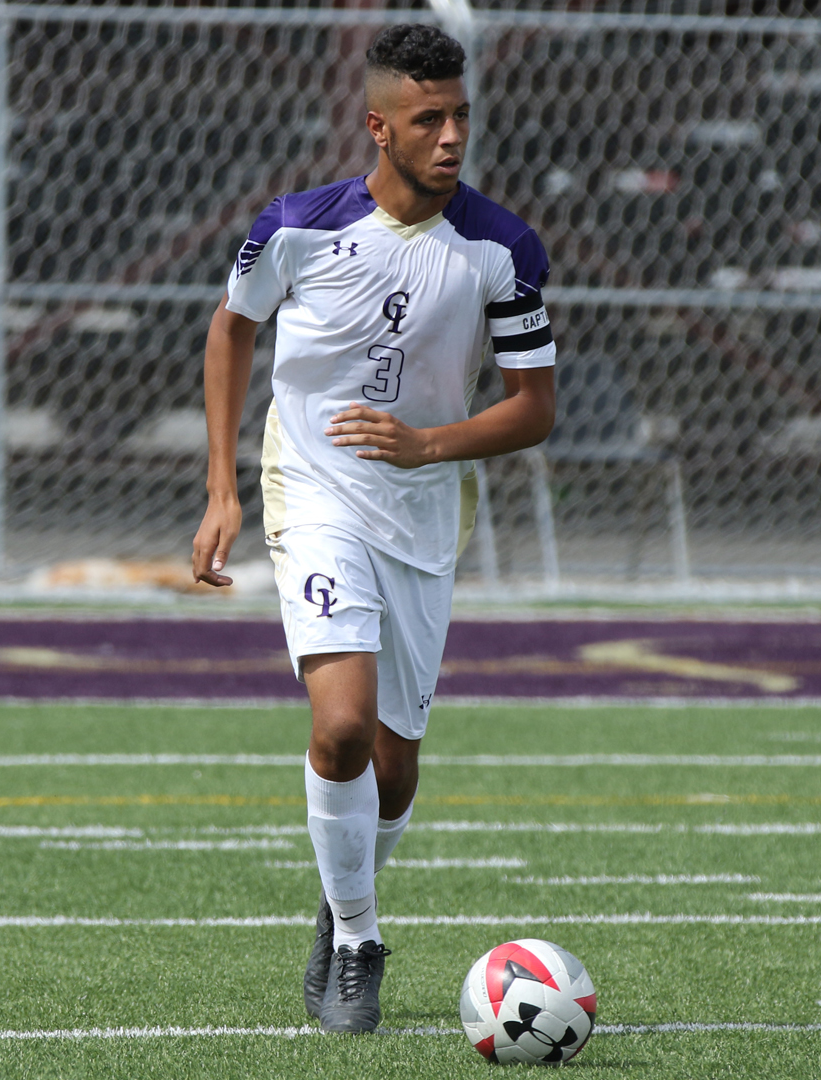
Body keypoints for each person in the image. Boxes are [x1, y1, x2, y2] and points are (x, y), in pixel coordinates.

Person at [189, 22, 557, 1034]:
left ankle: (341, 890)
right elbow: (230, 331)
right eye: (428, 119)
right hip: (310, 495)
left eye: (461, 118)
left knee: (394, 768)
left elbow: (535, 406)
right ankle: (357, 939)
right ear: (378, 125)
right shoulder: (298, 227)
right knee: (341, 727)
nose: (450, 137)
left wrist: (428, 446)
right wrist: (222, 490)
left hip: (424, 514)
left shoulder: (501, 247)